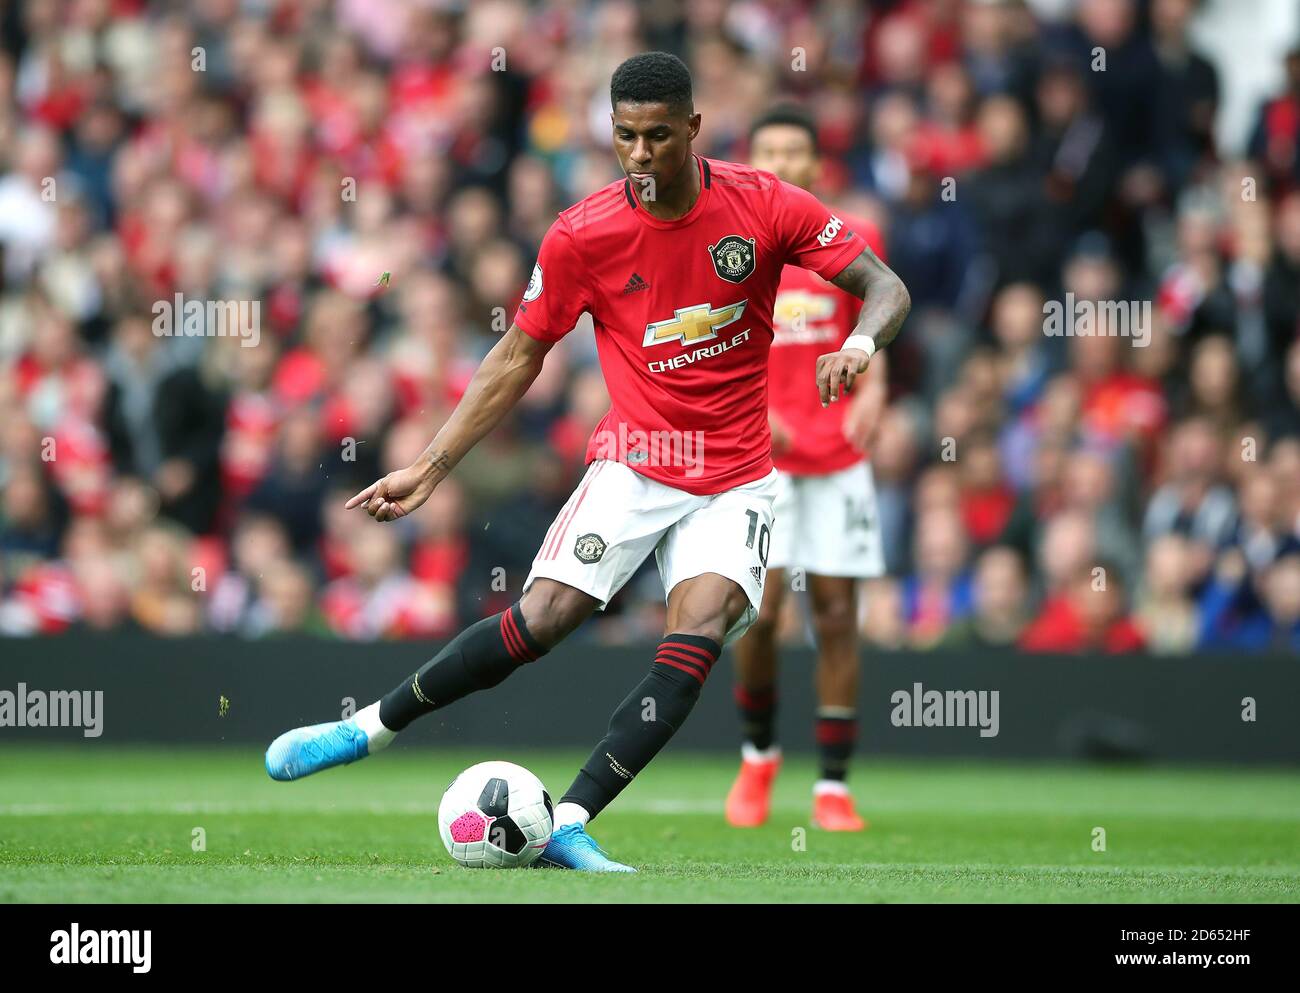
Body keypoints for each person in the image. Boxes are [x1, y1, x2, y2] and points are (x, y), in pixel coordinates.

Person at [263, 52, 910, 872]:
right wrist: (430, 467)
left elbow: (884, 285)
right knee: (543, 620)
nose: (640, 156)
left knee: (698, 634)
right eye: (625, 136)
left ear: (693, 131)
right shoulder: (583, 233)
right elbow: (514, 359)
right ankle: (365, 729)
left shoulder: (765, 204)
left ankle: (568, 819)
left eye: (658, 138)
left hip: (736, 474)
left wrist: (857, 343)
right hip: (636, 463)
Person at [725, 104, 890, 832]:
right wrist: (750, 407)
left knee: (835, 615)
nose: (783, 163)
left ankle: (833, 786)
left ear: (816, 165)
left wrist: (876, 386)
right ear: (750, 159)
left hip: (838, 452)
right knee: (759, 615)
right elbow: (713, 341)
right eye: (770, 151)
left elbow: (877, 314)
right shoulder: (731, 243)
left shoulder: (848, 238)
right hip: (761, 455)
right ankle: (759, 757)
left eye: (797, 151)